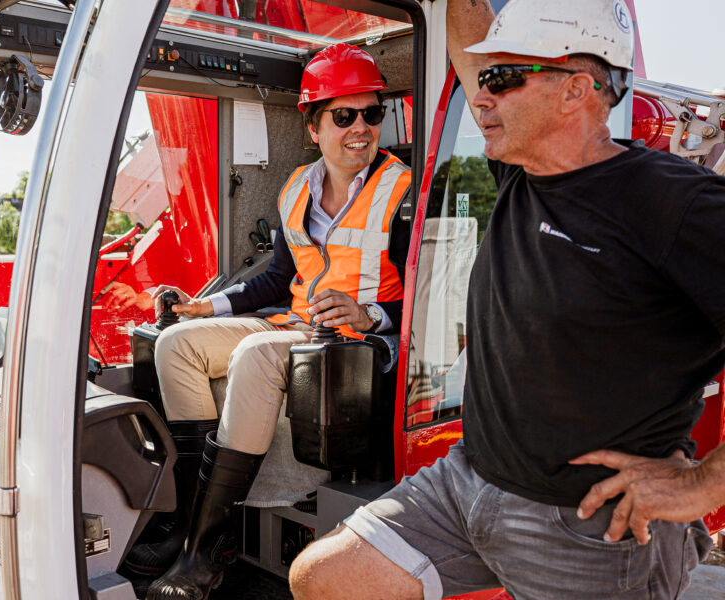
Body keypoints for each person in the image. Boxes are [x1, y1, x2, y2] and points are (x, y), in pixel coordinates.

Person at [287, 1, 725, 598]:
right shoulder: (521, 172)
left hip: (586, 525)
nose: (480, 96)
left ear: (575, 91)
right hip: (467, 482)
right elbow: (467, 40)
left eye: (501, 78)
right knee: (323, 578)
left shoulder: (674, 204)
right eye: (483, 78)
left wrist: (703, 484)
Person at [125, 43, 413, 600]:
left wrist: (370, 313)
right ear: (313, 127)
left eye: (372, 113)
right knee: (175, 345)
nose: (362, 127)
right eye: (344, 115)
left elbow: (432, 299)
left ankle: (204, 557)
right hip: (298, 324)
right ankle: (195, 524)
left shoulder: (404, 190)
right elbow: (276, 279)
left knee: (254, 356)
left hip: (362, 345)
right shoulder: (296, 187)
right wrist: (207, 306)